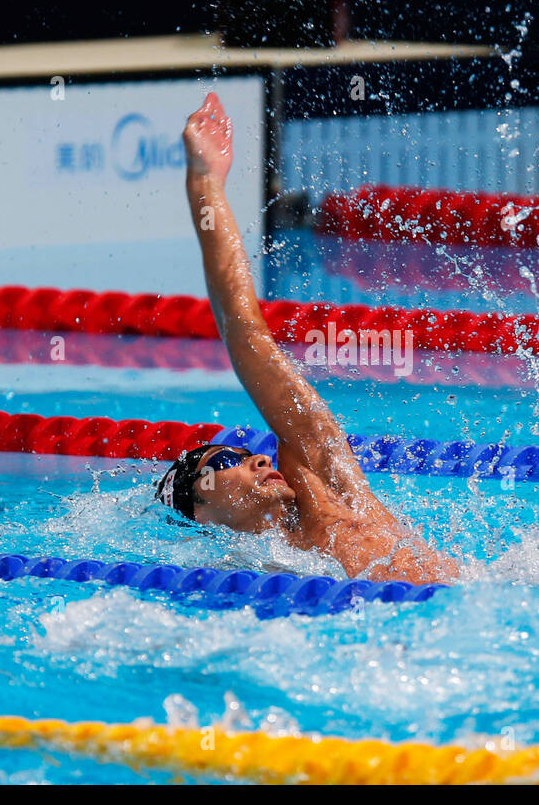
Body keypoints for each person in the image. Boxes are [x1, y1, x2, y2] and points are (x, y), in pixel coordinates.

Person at [155, 93, 459, 586]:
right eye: (226, 462)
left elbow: (245, 331)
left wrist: (205, 183)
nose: (257, 456)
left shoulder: (329, 490)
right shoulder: (254, 574)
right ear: (203, 511)